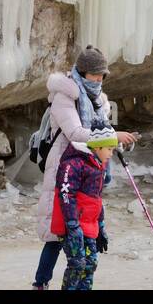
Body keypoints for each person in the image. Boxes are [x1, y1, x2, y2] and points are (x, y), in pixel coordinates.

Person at [28, 46, 138, 289]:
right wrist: (113, 135)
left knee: (84, 226)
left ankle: (81, 279)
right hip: (65, 168)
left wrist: (117, 142)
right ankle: (41, 282)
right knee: (58, 231)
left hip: (90, 170)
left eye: (102, 76)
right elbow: (76, 133)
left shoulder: (98, 99)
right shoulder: (63, 96)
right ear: (82, 72)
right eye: (94, 75)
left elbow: (100, 133)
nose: (99, 80)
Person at [50, 119, 118, 290]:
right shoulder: (73, 164)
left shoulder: (98, 165)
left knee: (90, 264)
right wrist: (72, 225)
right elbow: (66, 194)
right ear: (97, 147)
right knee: (77, 264)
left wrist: (100, 225)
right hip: (72, 225)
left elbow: (96, 199)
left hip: (89, 225)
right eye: (109, 149)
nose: (111, 154)